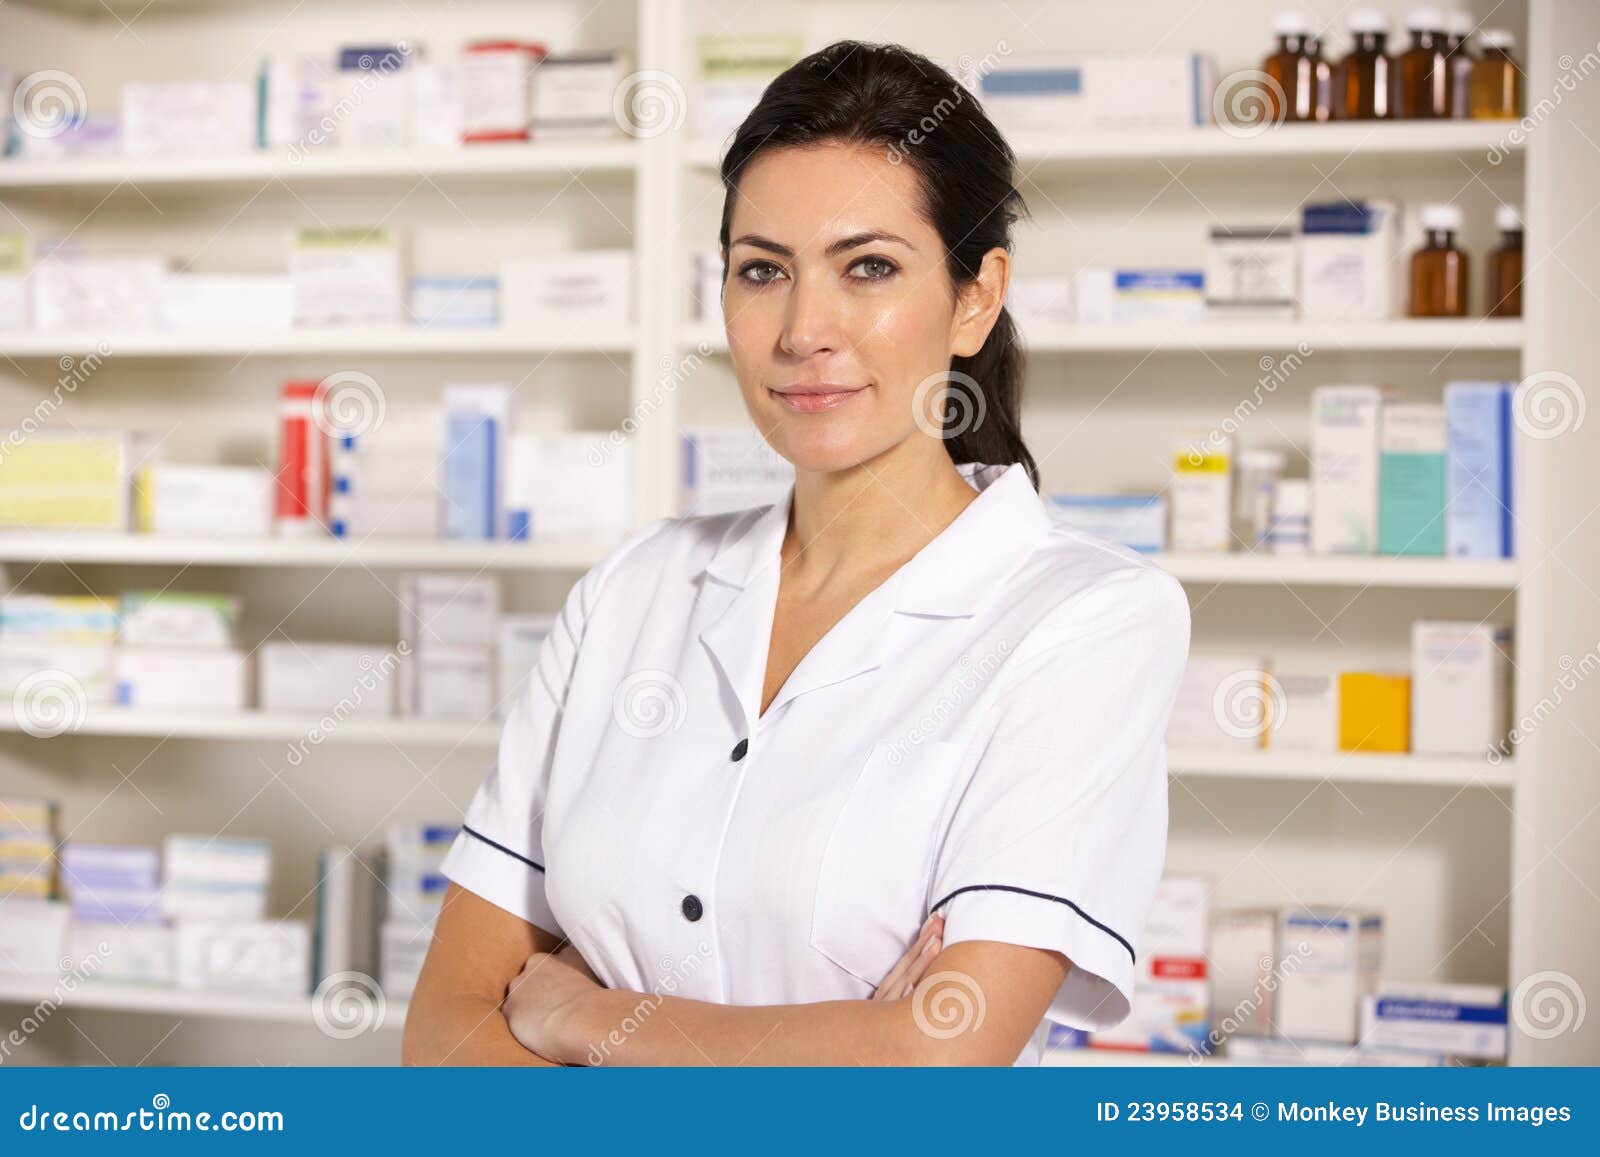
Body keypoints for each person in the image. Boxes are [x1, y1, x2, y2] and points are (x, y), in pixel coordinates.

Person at [402, 39, 1190, 1067]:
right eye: (762, 270)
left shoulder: (1084, 619)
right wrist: (845, 1040)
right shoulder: (634, 591)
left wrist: (588, 1017)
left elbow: (934, 1056)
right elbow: (441, 1028)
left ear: (975, 297)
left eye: (868, 268)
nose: (804, 329)